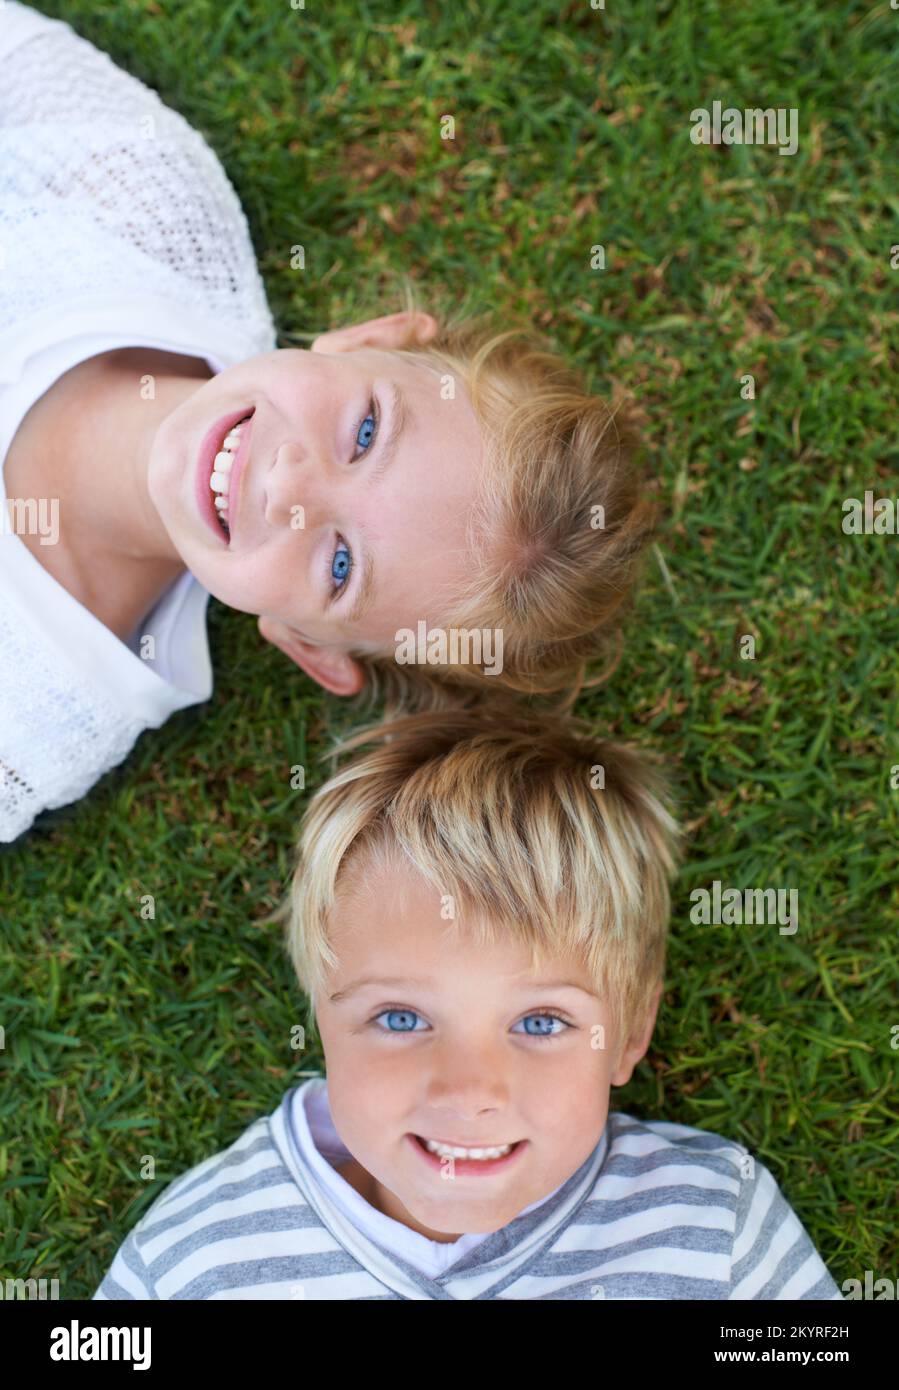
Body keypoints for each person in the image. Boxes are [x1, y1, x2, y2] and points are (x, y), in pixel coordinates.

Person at [0, 2, 652, 843]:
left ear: (307, 644)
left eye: (341, 564)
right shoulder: (149, 214)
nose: (290, 486)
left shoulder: (35, 721)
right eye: (367, 433)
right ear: (369, 341)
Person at [94, 708, 842, 1300]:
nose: (468, 1091)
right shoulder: (200, 1255)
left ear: (629, 1032)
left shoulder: (711, 1223)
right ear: (322, 1015)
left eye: (541, 1022)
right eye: (400, 1018)